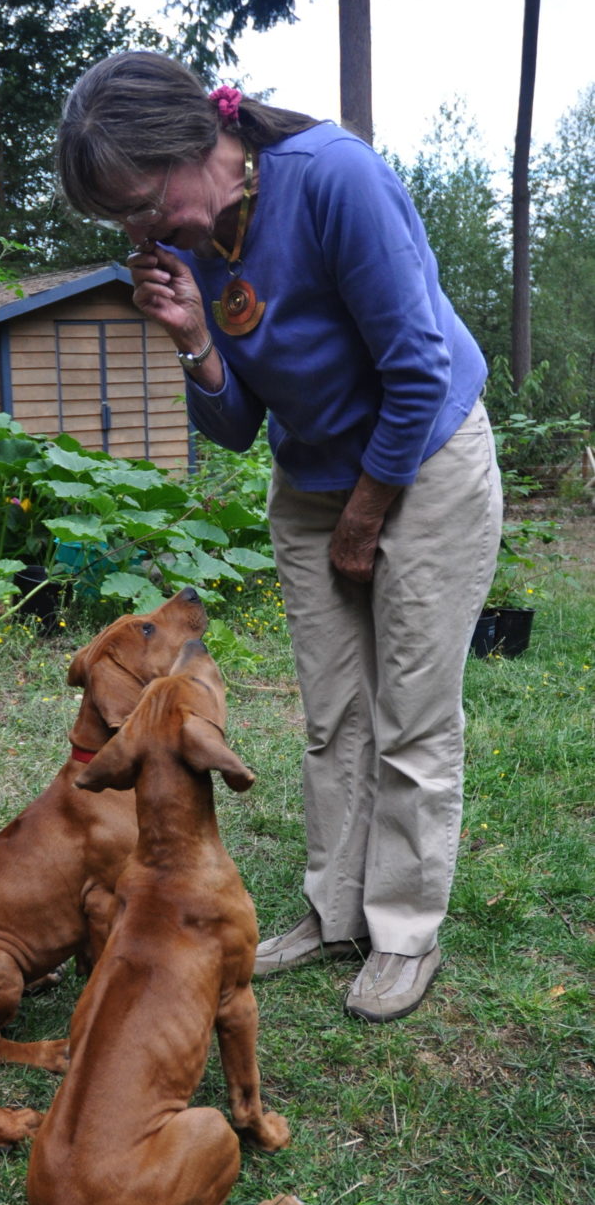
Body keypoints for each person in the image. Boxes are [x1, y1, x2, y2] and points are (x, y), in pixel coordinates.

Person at [56, 50, 502, 1022]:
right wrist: (192, 340)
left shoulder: (334, 179)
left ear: (191, 144)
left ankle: (401, 934)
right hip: (311, 482)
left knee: (412, 720)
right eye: (120, 220)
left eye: (138, 204)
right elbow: (235, 426)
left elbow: (418, 374)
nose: (137, 233)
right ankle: (332, 914)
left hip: (417, 465)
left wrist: (365, 516)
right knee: (332, 714)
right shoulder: (204, 246)